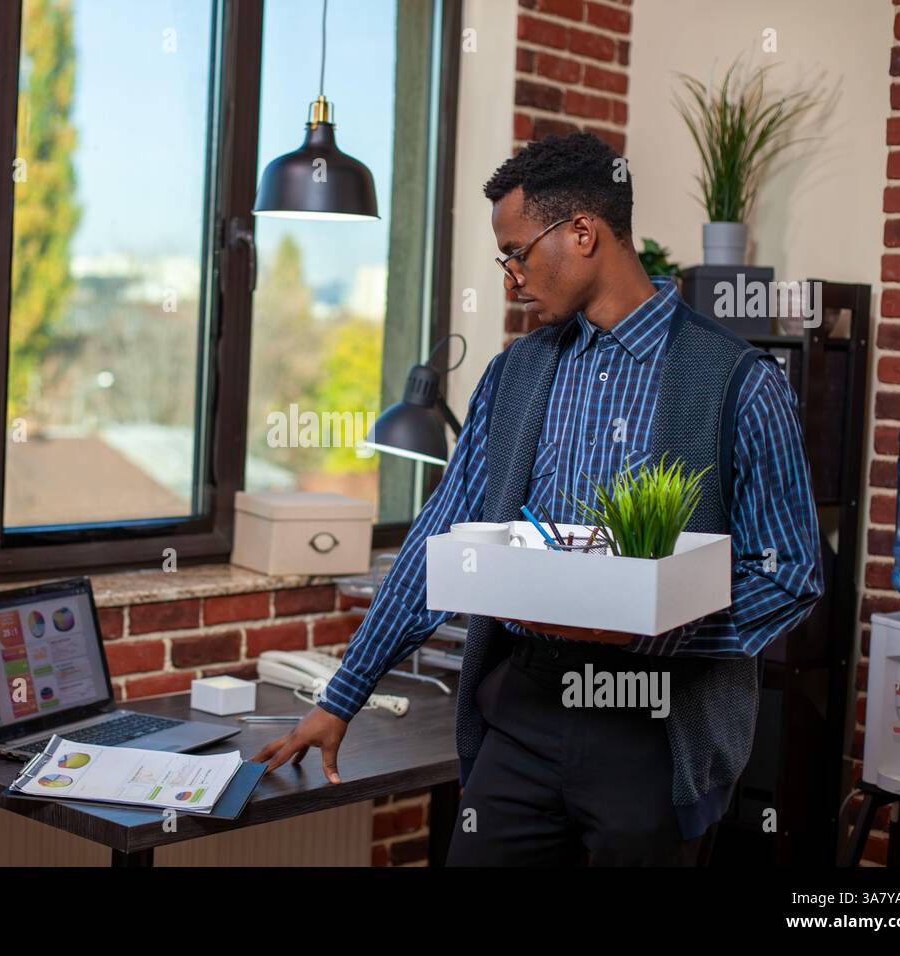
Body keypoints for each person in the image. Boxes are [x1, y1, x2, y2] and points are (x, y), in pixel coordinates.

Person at [251, 132, 822, 865]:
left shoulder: (739, 381)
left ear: (582, 232)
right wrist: (341, 697)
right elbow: (440, 537)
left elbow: (789, 574)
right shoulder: (513, 374)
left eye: (516, 252)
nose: (511, 278)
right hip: (521, 716)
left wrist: (654, 631)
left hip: (651, 729)